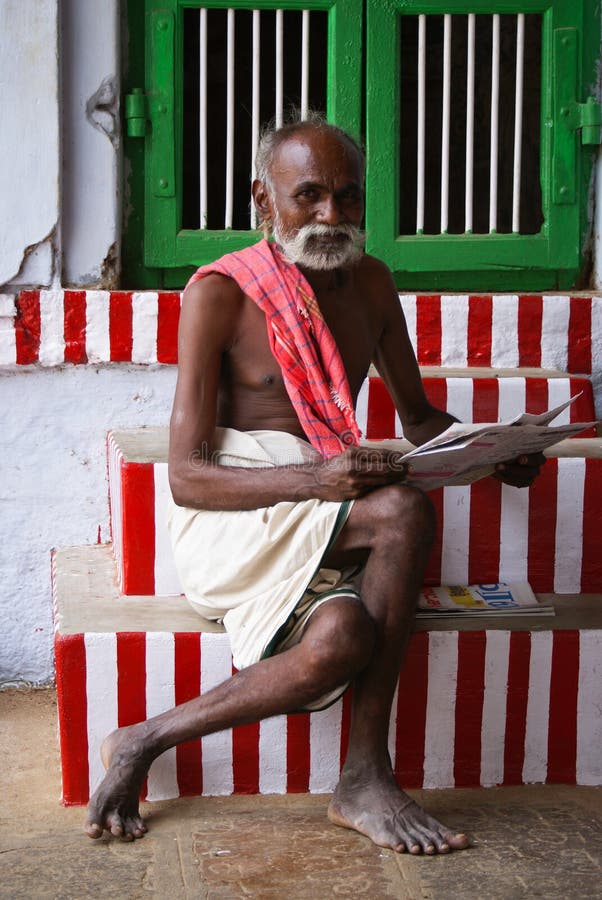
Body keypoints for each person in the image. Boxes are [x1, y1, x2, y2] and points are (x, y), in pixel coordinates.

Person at [85, 115, 544, 853]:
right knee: (400, 511)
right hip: (240, 515)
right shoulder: (222, 293)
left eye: (348, 196)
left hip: (324, 510)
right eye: (309, 196)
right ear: (263, 201)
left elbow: (420, 419)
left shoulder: (371, 283)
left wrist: (496, 451)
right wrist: (316, 478)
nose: (332, 216)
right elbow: (188, 479)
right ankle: (367, 774)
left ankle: (143, 738)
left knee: (343, 639)